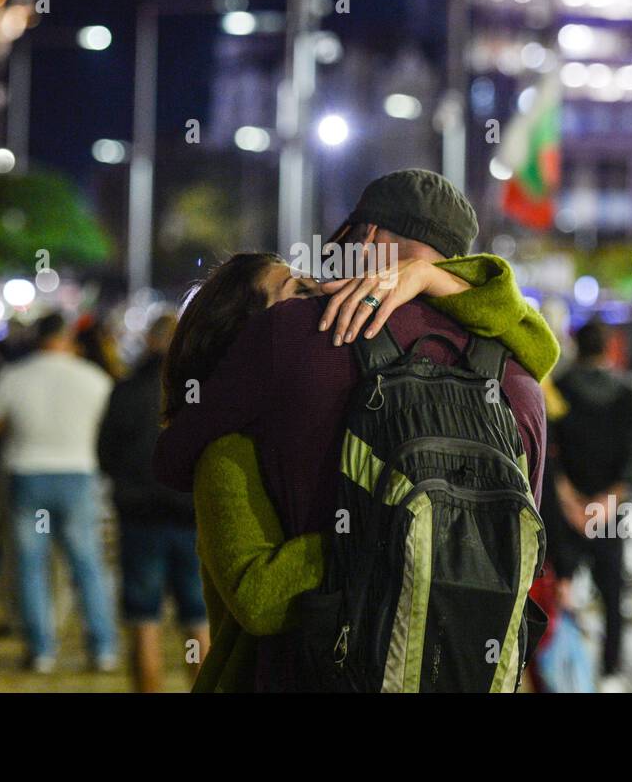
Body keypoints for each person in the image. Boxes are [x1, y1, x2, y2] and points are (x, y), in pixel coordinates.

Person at [154, 169, 556, 691]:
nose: (322, 277)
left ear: (365, 238)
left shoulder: (297, 331)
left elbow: (173, 454)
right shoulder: (522, 381)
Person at [0, 312, 119, 673]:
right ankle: (102, 647)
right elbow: (109, 426)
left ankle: (41, 650)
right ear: (68, 339)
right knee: (87, 563)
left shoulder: (14, 376)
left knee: (30, 567)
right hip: (78, 475)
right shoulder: (94, 379)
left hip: (27, 477)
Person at [97, 312, 209, 692]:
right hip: (192, 519)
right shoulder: (203, 389)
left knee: (144, 618)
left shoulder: (126, 389)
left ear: (149, 342)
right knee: (198, 618)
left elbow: (104, 453)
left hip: (139, 518)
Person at [548, 321, 632, 687]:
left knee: (559, 586)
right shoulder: (626, 392)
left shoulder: (559, 390)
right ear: (609, 348)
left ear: (576, 345)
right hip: (610, 512)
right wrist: (610, 498)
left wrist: (568, 499)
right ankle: (611, 670)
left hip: (566, 513)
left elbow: (548, 453)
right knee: (612, 593)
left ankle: (559, 665)